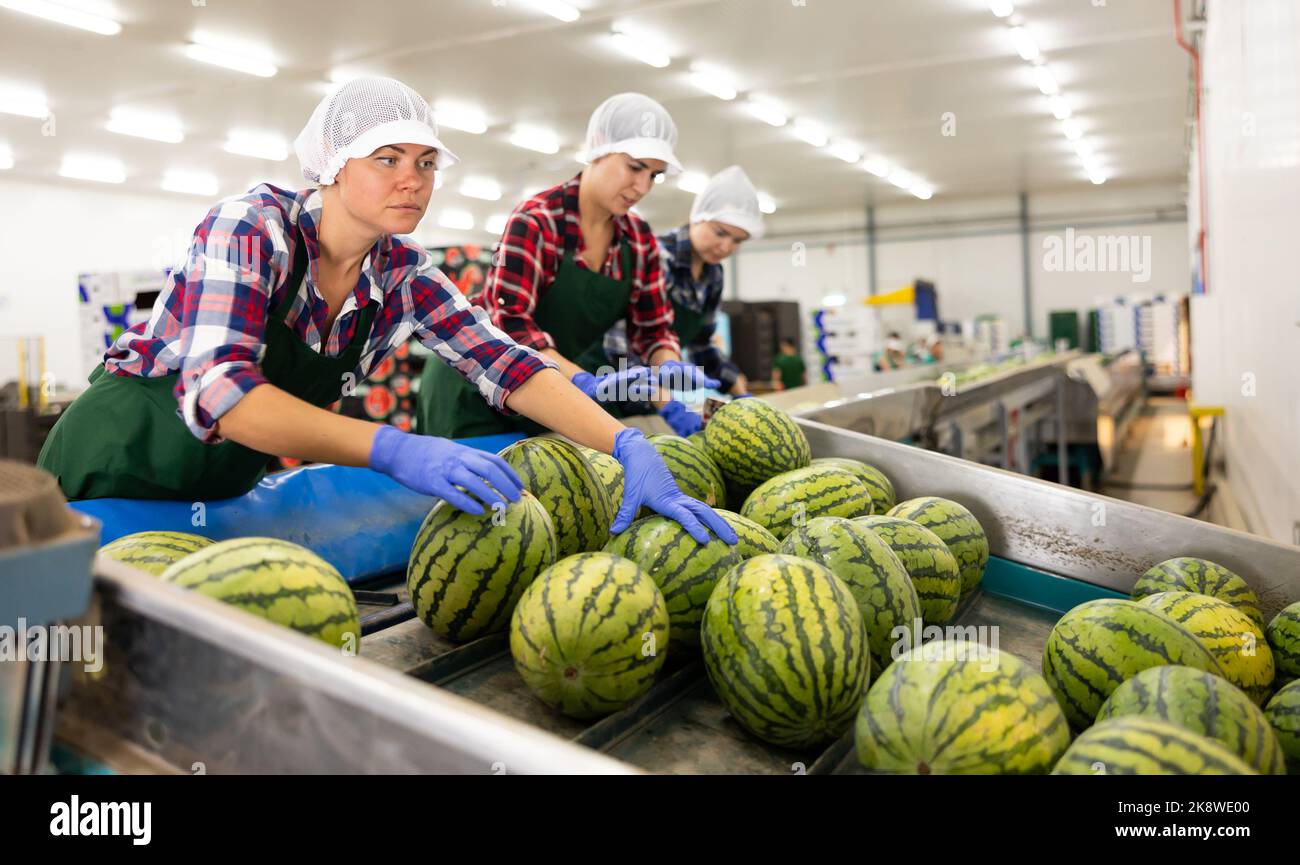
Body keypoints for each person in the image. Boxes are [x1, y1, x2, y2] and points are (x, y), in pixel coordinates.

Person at [36, 77, 734, 545]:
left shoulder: (400, 273)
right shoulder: (250, 231)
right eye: (388, 158)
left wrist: (624, 442)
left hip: (220, 488)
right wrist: (391, 448)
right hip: (117, 464)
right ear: (335, 164)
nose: (413, 179)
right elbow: (223, 395)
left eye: (428, 163)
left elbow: (505, 361)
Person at [417, 93, 720, 441]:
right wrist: (582, 381)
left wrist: (669, 370)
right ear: (599, 147)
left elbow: (653, 329)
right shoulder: (537, 221)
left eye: (655, 175)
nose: (643, 186)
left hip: (551, 387)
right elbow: (511, 327)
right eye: (635, 167)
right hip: (476, 384)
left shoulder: (639, 241)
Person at [600, 165, 762, 436]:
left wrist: (739, 393)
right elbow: (619, 346)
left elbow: (702, 345)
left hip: (651, 398)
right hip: (608, 382)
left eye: (738, 241)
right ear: (698, 217)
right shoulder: (657, 257)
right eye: (720, 233)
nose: (726, 247)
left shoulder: (714, 275)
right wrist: (668, 403)